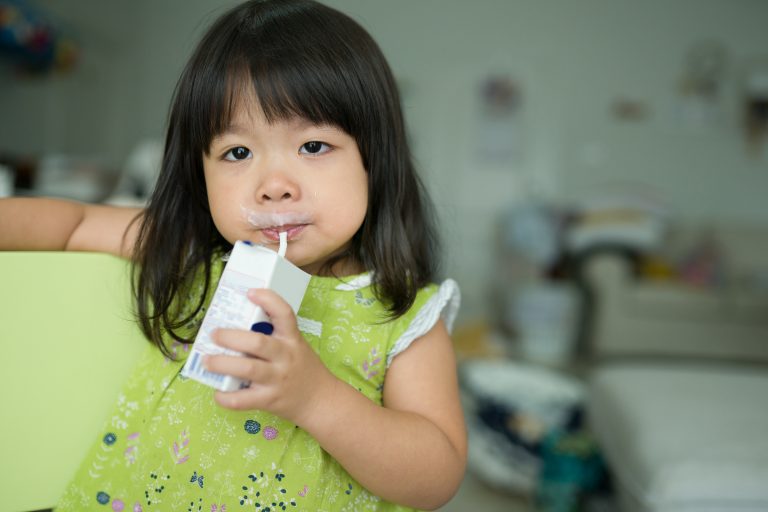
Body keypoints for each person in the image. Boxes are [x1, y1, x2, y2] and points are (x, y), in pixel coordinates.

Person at [0, 0, 466, 510]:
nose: (274, 186)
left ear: (374, 159)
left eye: (312, 146)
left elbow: (435, 478)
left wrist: (316, 399)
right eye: (237, 153)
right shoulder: (193, 252)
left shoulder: (402, 316)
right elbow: (76, 224)